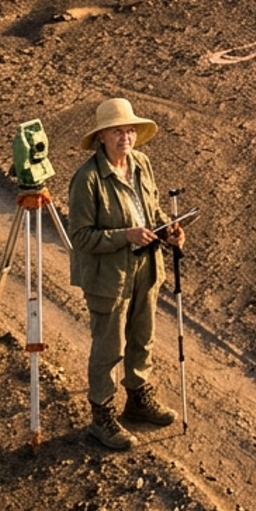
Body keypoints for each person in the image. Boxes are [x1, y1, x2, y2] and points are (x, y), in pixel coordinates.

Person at [66, 97, 184, 450]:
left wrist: (169, 229)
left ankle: (137, 398)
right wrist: (124, 236)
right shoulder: (87, 180)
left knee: (142, 337)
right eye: (118, 131)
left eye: (130, 130)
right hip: (109, 278)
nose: (126, 137)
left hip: (145, 269)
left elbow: (153, 209)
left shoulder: (142, 164)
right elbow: (80, 237)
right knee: (109, 347)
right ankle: (101, 415)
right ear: (101, 136)